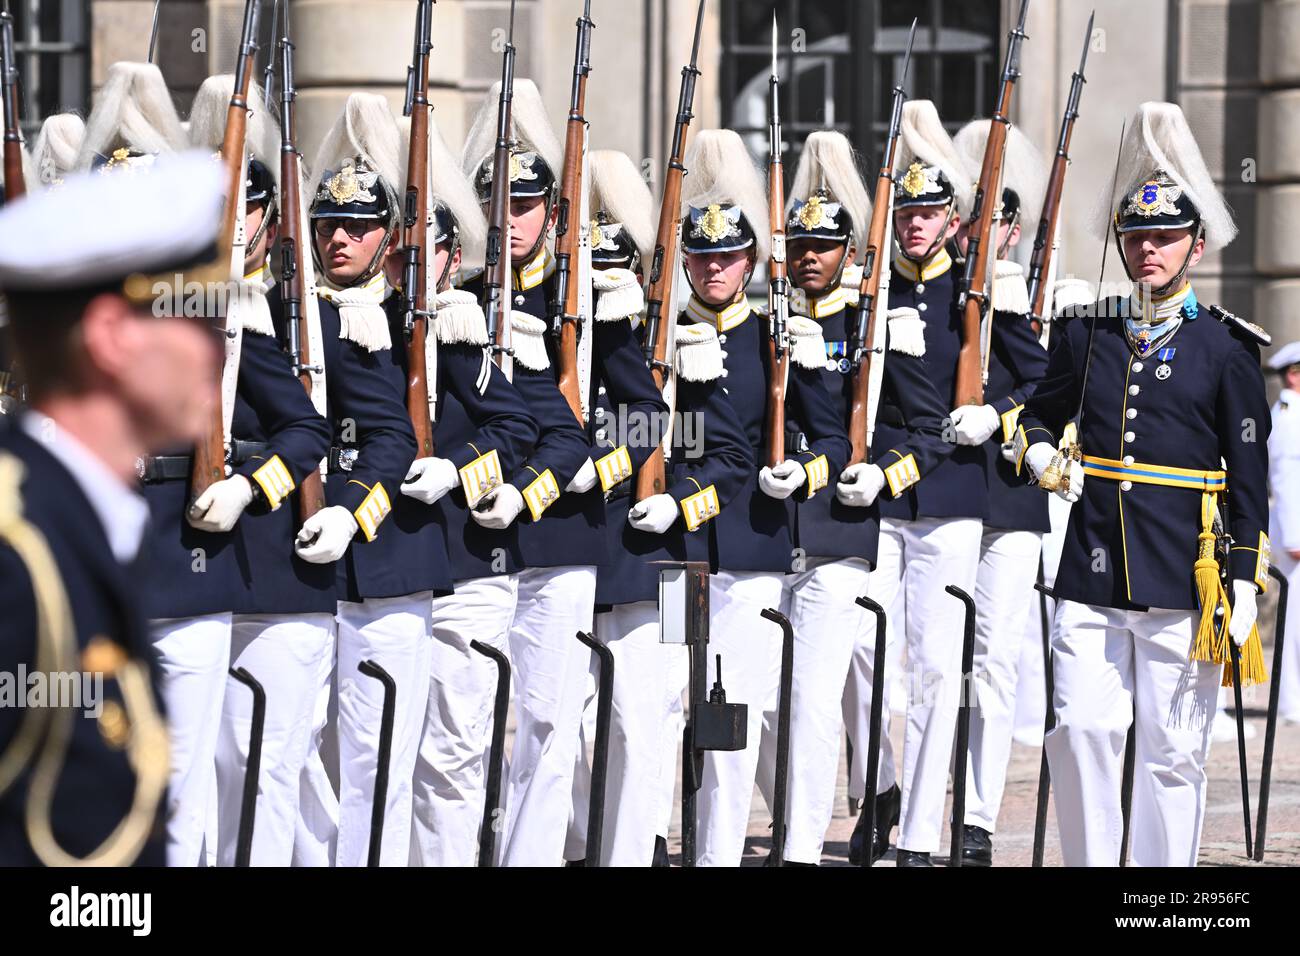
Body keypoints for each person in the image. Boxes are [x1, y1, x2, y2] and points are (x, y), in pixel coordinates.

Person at [1015, 101, 1271, 867]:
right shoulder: (1085, 332)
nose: (1149, 250)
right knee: (1083, 731)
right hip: (1091, 566)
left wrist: (1244, 578)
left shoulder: (1225, 349)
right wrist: (1035, 455)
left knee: (1172, 750)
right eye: (1137, 237)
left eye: (1164, 237)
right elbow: (1035, 416)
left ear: (1195, 246)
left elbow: (1247, 472)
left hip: (1182, 577)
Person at [460, 81, 668, 866]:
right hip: (480, 536)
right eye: (496, 203)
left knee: (548, 720)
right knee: (471, 722)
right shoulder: (466, 298)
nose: (508, 219)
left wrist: (591, 470)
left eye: (524, 203)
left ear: (552, 207)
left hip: (567, 535)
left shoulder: (592, 297)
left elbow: (649, 417)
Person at [0, 151, 225, 866]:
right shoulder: (16, 551)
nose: (218, 350)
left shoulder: (78, 518)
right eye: (195, 316)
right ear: (111, 338)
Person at [752, 131, 951, 866]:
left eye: (823, 245)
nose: (809, 256)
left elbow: (925, 428)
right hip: (757, 533)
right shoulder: (760, 320)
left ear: (846, 251)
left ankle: (807, 842)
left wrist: (883, 473)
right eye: (798, 243)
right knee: (756, 701)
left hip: (839, 530)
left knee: (819, 694)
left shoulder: (872, 326)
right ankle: (801, 812)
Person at [564, 149, 750, 866]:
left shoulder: (690, 346)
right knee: (584, 723)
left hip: (676, 559)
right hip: (594, 547)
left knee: (654, 715)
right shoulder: (589, 343)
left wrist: (677, 503)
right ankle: (608, 841)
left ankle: (644, 844)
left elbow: (726, 456)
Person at [675, 129, 850, 866]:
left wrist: (804, 474)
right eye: (701, 256)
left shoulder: (774, 340)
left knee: (732, 707)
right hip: (668, 558)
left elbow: (834, 441)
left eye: (727, 257)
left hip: (744, 555)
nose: (714, 269)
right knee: (674, 705)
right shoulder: (663, 336)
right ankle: (660, 838)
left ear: (749, 263)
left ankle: (743, 851)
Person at [844, 100, 986, 867]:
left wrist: (990, 414)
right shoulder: (872, 288)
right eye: (905, 210)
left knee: (936, 667)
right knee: (863, 654)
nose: (915, 223)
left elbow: (1030, 378)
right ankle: (881, 784)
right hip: (879, 494)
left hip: (950, 497)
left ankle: (922, 832)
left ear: (952, 219)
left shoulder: (971, 293)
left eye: (930, 211)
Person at [406, 111, 541, 867]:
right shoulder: (353, 325)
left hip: (464, 563)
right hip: (382, 572)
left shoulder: (458, 331)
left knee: (453, 755)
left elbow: (515, 432)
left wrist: (459, 474)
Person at [946, 118, 1051, 865]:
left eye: (992, 222)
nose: (976, 233)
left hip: (1007, 505)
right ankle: (894, 789)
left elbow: (1050, 395)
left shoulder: (1012, 302)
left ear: (1011, 234)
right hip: (936, 500)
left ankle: (975, 815)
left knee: (991, 664)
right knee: (903, 659)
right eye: (968, 219)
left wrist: (1001, 416)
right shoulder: (928, 293)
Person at [1268, 340, 1300, 724]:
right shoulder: (1289, 417)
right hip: (1295, 533)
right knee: (1294, 620)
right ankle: (1291, 701)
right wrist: (1293, 536)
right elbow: (1287, 479)